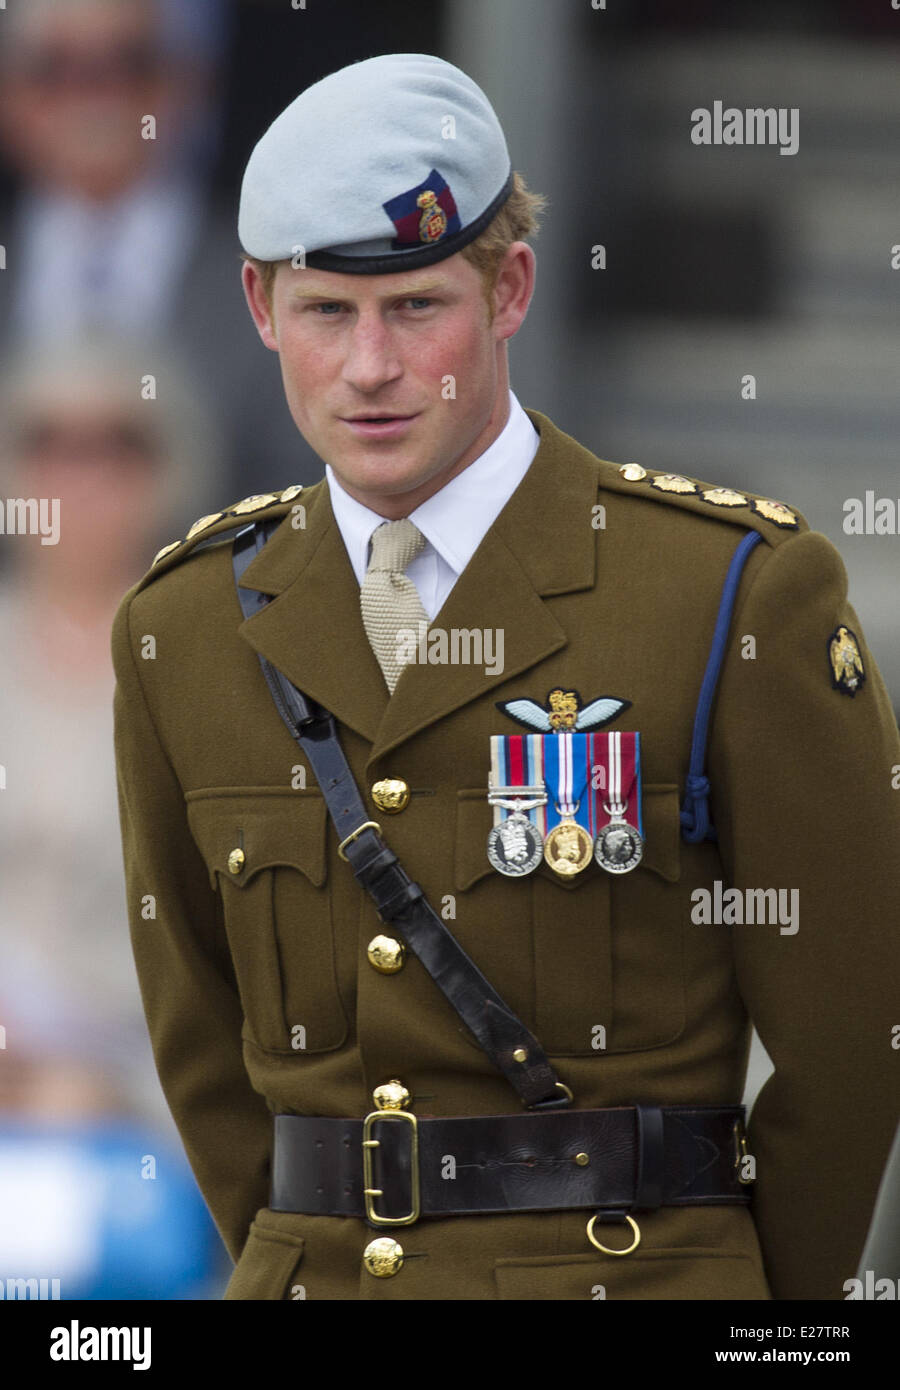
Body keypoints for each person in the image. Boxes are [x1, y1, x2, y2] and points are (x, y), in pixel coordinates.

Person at [111, 52, 900, 1301]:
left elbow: (853, 1041)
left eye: (416, 307)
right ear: (259, 306)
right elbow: (205, 1051)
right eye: (326, 312)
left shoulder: (730, 596)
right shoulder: (188, 626)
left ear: (510, 286)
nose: (369, 367)